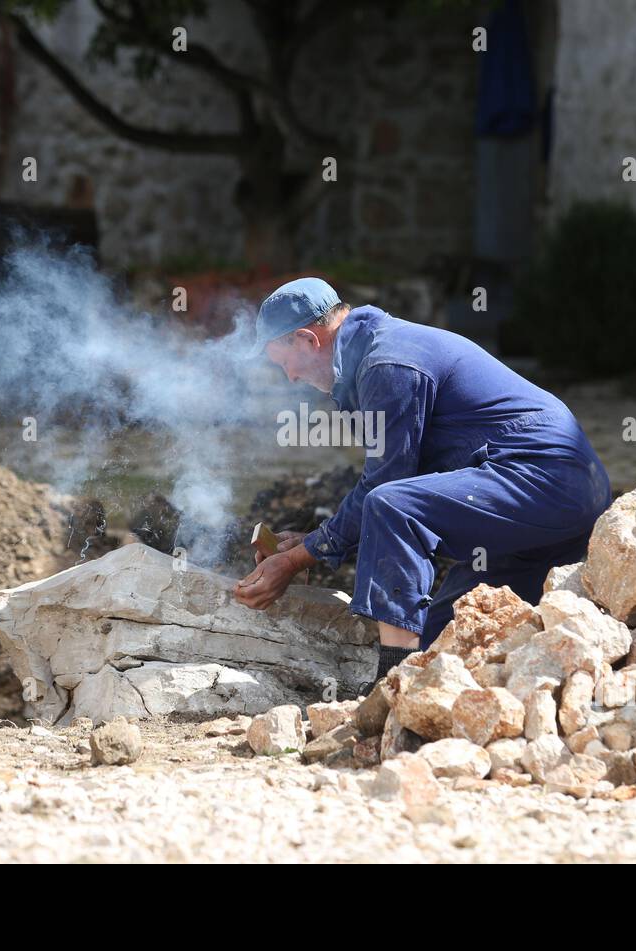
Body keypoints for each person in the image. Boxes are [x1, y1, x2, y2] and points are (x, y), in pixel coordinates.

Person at [234, 277, 611, 684]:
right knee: (440, 640)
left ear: (308, 340)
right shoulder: (378, 350)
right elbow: (396, 477)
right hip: (552, 501)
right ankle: (420, 691)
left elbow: (386, 490)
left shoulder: (387, 363)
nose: (290, 378)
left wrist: (296, 559)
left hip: (545, 479)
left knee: (389, 504)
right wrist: (311, 543)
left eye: (283, 363)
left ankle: (390, 688)